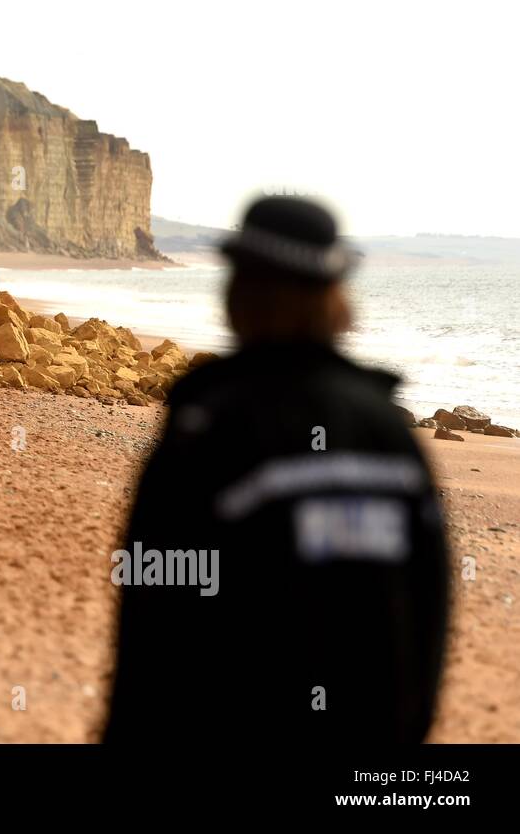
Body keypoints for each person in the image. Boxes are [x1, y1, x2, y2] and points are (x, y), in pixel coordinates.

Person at [103, 194, 448, 743]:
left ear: (239, 291)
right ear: (335, 294)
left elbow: (155, 614)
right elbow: (429, 613)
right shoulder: (386, 431)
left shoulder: (211, 426)